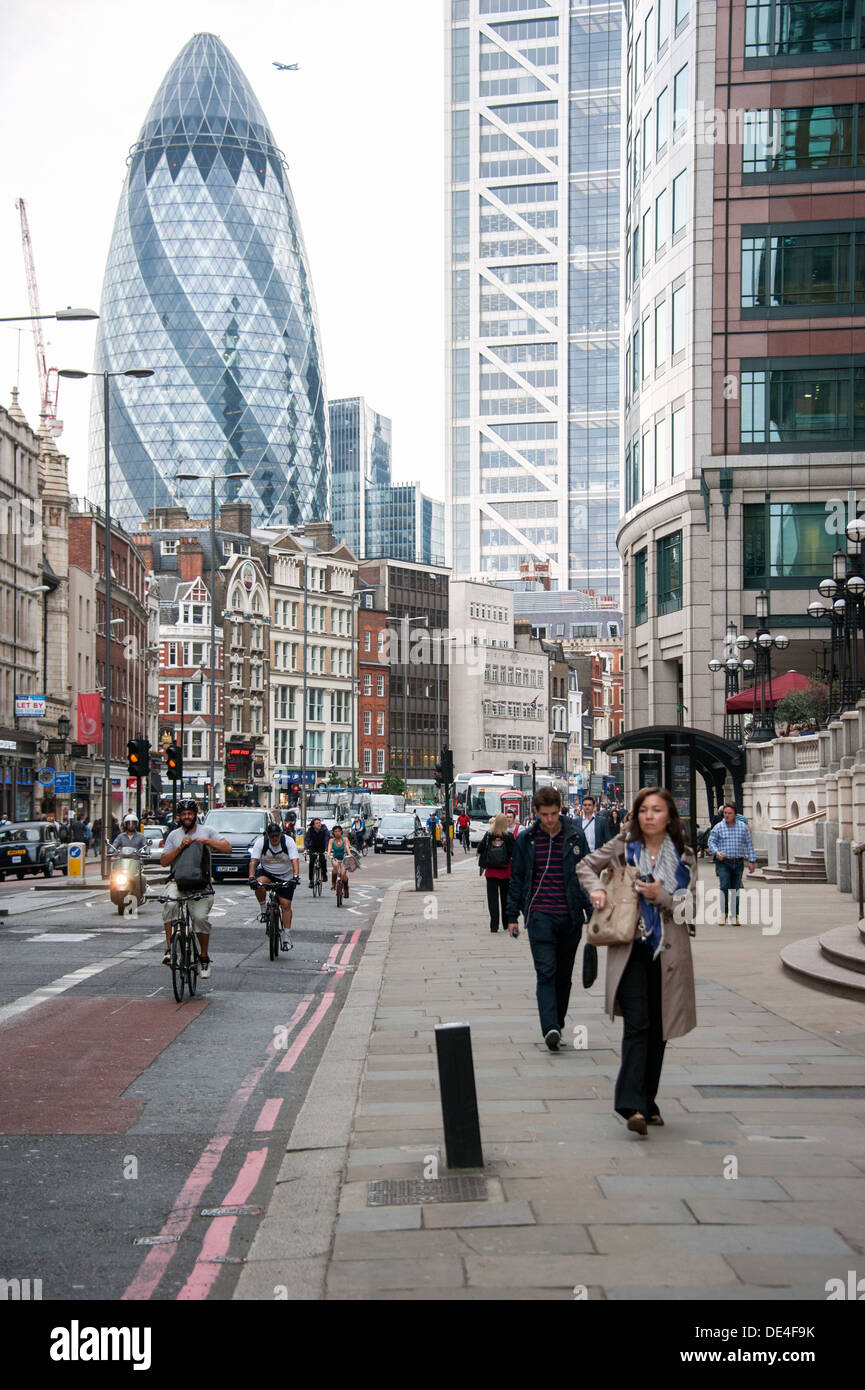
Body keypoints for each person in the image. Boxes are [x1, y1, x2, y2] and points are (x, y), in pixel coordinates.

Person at [577, 786, 697, 1136]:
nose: (649, 816)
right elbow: (585, 865)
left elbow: (690, 909)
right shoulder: (623, 847)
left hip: (668, 954)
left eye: (657, 810)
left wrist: (661, 895)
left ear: (670, 816)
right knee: (639, 1024)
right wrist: (596, 890)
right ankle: (630, 1104)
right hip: (630, 949)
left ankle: (647, 1100)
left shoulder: (684, 857)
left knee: (660, 1029)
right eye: (644, 809)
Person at [506, 786, 592, 1051]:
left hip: (570, 916)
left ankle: (558, 1021)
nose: (551, 820)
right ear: (536, 813)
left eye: (554, 814)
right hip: (540, 915)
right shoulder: (527, 840)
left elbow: (587, 875)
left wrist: (593, 912)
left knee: (564, 975)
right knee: (546, 972)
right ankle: (550, 1027)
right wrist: (512, 915)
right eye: (545, 815)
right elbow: (518, 878)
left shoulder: (575, 836)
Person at [159, 799, 232, 978]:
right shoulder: (174, 835)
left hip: (200, 884)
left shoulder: (207, 831)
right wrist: (180, 847)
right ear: (179, 816)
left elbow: (227, 848)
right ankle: (169, 949)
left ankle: (204, 957)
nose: (186, 817)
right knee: (169, 905)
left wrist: (206, 841)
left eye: (189, 814)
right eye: (183, 814)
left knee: (199, 919)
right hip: (178, 881)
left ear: (195, 814)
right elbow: (163, 861)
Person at [249, 820, 300, 951]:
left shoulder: (288, 842)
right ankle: (263, 909)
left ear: (280, 834)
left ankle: (287, 936)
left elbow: (295, 860)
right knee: (258, 884)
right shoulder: (261, 842)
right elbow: (254, 861)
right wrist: (251, 878)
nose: (274, 839)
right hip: (267, 873)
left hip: (286, 876)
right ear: (267, 835)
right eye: (271, 836)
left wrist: (295, 877)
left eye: (277, 836)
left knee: (285, 905)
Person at [707, 801, 756, 926]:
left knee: (736, 890)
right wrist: (716, 852)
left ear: (735, 814)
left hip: (738, 862)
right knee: (724, 886)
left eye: (729, 813)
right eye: (725, 813)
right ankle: (723, 914)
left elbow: (749, 844)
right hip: (724, 862)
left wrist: (751, 860)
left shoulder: (742, 827)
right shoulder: (719, 827)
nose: (727, 815)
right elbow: (711, 841)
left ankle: (735, 916)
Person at [477, 813, 515, 933]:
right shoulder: (508, 836)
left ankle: (494, 925)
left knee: (492, 899)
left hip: (491, 872)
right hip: (505, 872)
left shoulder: (489, 835)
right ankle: (505, 923)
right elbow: (514, 852)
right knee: (505, 899)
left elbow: (480, 848)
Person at [305, 816, 330, 887]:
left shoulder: (324, 830)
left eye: (319, 823)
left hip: (322, 847)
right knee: (312, 862)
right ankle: (311, 880)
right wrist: (305, 849)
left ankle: (324, 875)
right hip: (313, 847)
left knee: (322, 860)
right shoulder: (310, 830)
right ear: (313, 825)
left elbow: (326, 840)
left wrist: (326, 850)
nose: (319, 824)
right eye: (317, 823)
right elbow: (307, 840)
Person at [330, 824, 350, 898]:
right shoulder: (331, 840)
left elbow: (347, 847)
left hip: (344, 858)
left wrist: (350, 854)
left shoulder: (345, 839)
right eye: (335, 831)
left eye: (339, 831)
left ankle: (346, 888)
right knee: (335, 867)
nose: (337, 833)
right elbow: (329, 849)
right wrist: (328, 854)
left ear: (341, 832)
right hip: (335, 858)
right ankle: (333, 884)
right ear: (333, 833)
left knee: (343, 874)